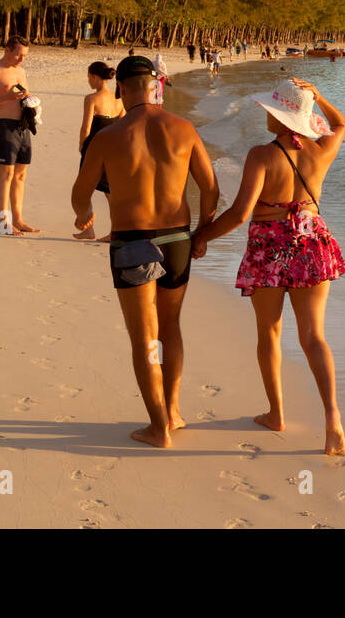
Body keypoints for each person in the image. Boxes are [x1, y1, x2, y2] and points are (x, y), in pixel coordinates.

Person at [192, 77, 345, 455]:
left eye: (269, 110)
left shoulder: (261, 155)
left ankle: (276, 413)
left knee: (270, 332)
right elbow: (341, 124)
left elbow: (241, 212)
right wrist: (318, 97)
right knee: (314, 337)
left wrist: (202, 237)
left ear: (279, 117)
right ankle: (333, 419)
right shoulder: (321, 150)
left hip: (270, 246)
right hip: (312, 240)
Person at [72, 55, 220, 448]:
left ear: (120, 88)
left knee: (144, 338)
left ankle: (158, 428)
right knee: (170, 327)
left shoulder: (107, 137)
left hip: (132, 241)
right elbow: (210, 188)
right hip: (176, 240)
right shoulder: (183, 128)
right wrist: (203, 231)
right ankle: (172, 411)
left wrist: (83, 217)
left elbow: (80, 193)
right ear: (155, 85)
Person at [0, 36, 38, 234]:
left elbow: (23, 95)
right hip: (3, 126)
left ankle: (18, 220)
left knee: (20, 175)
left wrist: (30, 99)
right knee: (6, 174)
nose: (21, 59)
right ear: (7, 50)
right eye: (18, 54)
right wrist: (6, 98)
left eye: (25, 55)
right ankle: (4, 223)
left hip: (23, 126)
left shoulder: (21, 71)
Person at [74, 62, 125, 242]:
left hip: (94, 148)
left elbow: (86, 128)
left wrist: (82, 146)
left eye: (89, 77)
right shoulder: (118, 99)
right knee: (111, 193)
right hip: (113, 149)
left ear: (94, 77)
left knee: (84, 190)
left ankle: (88, 228)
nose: (88, 81)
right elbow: (122, 125)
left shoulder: (91, 98)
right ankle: (115, 232)